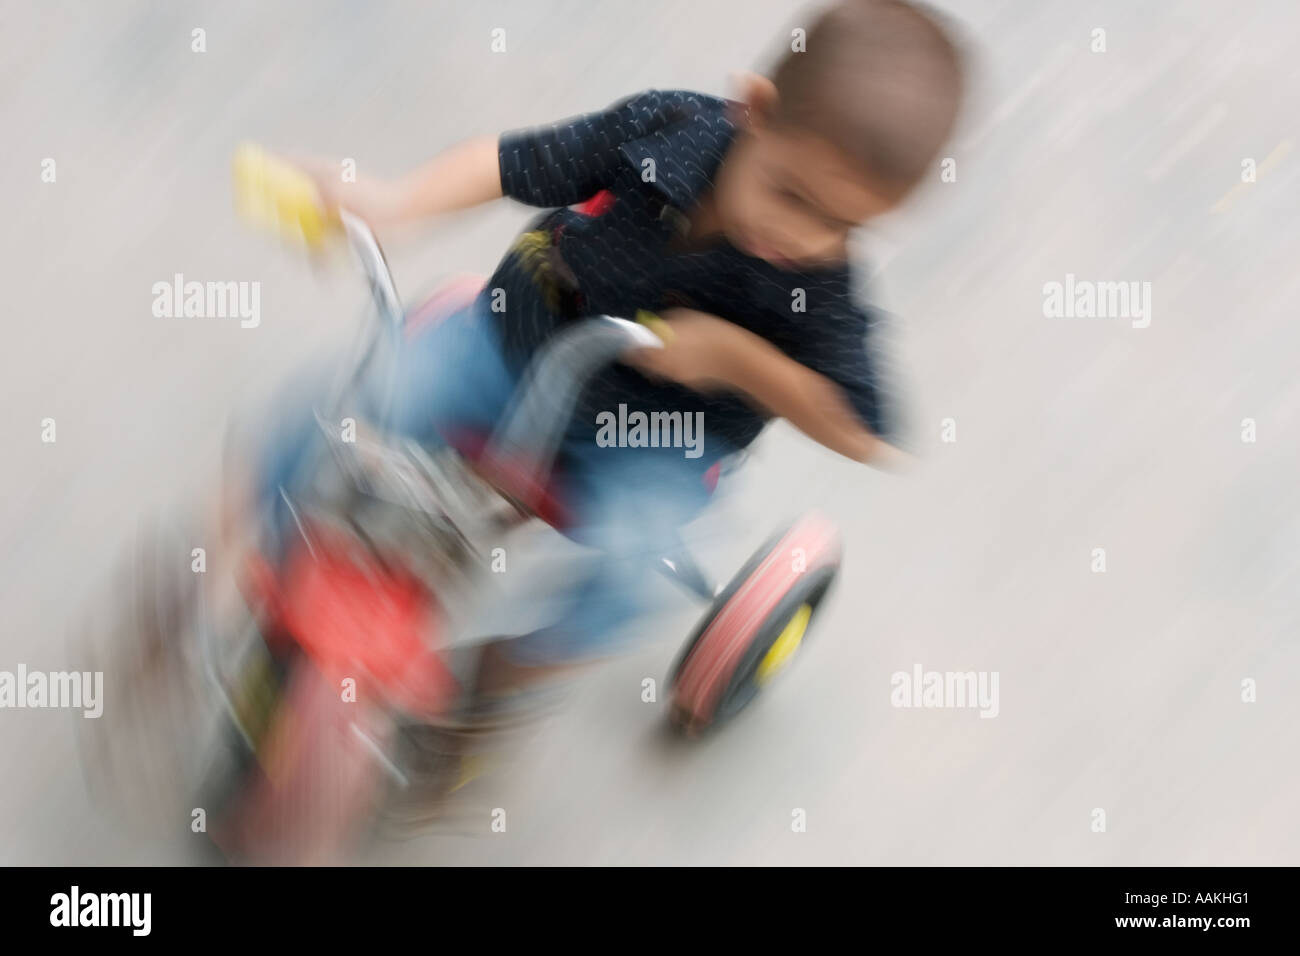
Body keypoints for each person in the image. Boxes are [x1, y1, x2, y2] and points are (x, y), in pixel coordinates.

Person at [258, 0, 965, 783]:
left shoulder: (819, 288)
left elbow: (868, 432)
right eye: (793, 195)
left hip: (650, 449)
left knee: (633, 572)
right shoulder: (665, 132)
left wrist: (737, 359)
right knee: (361, 394)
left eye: (843, 226)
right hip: (512, 344)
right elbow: (512, 164)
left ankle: (499, 681)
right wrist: (390, 204)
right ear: (755, 111)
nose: (805, 238)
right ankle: (252, 552)